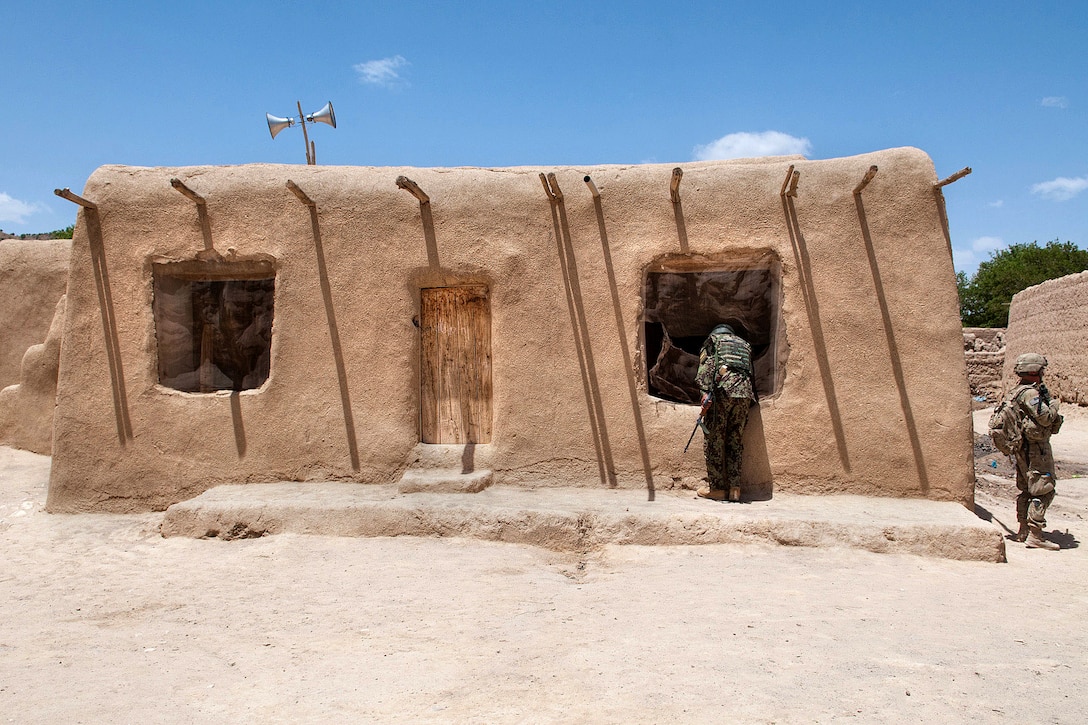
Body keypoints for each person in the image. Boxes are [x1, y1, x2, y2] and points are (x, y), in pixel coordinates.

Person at [1007, 352, 1064, 550]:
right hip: (1035, 449)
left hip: (1023, 448)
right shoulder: (1030, 393)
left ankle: (1024, 530)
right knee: (1044, 489)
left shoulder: (1016, 391)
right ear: (1034, 371)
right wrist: (1055, 406)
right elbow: (1045, 418)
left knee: (1026, 490)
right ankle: (1036, 535)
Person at [694, 323, 757, 502]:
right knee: (735, 440)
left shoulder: (713, 341)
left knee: (714, 439)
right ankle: (735, 489)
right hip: (744, 395)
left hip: (723, 393)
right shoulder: (745, 345)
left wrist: (704, 394)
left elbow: (705, 372)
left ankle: (718, 489)